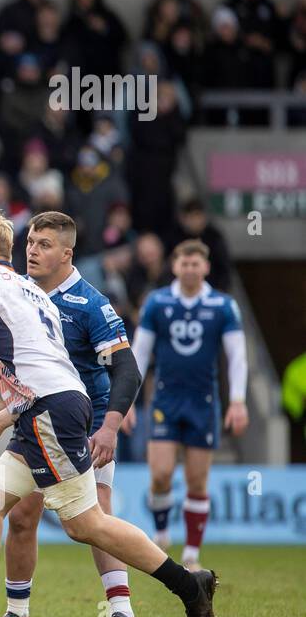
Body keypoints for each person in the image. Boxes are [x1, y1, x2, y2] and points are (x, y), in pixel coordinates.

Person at [0, 212, 217, 617]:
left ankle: (187, 585)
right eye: (30, 242)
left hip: (51, 410)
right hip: (44, 409)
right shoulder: (25, 289)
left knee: (85, 523)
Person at [125, 240, 247, 571]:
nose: (190, 269)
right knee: (161, 473)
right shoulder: (157, 302)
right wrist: (127, 401)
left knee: (197, 480)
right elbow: (140, 352)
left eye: (196, 264)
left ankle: (192, 553)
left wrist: (237, 400)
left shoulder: (223, 305)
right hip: (165, 400)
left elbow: (237, 355)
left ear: (205, 267)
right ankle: (162, 534)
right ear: (175, 266)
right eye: (185, 263)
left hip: (203, 403)